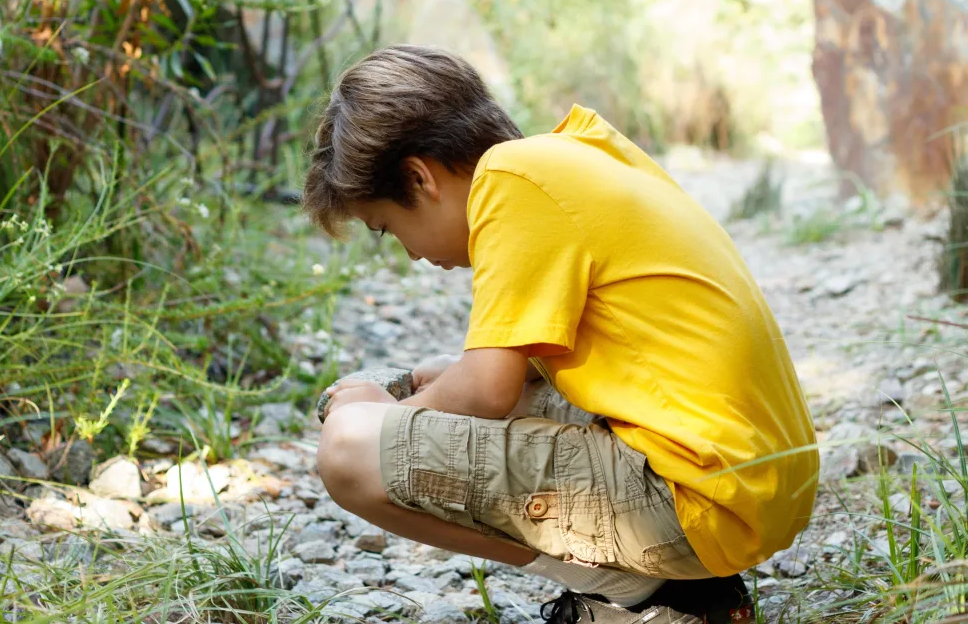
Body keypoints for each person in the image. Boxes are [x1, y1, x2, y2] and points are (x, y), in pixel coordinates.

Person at [304, 45, 818, 624]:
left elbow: (486, 392)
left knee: (350, 448)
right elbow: (583, 351)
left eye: (388, 228)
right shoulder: (578, 152)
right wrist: (448, 377)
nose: (411, 253)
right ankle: (685, 588)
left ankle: (645, 598)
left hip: (700, 502)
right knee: (462, 383)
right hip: (759, 487)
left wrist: (388, 414)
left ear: (419, 178)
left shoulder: (508, 182)